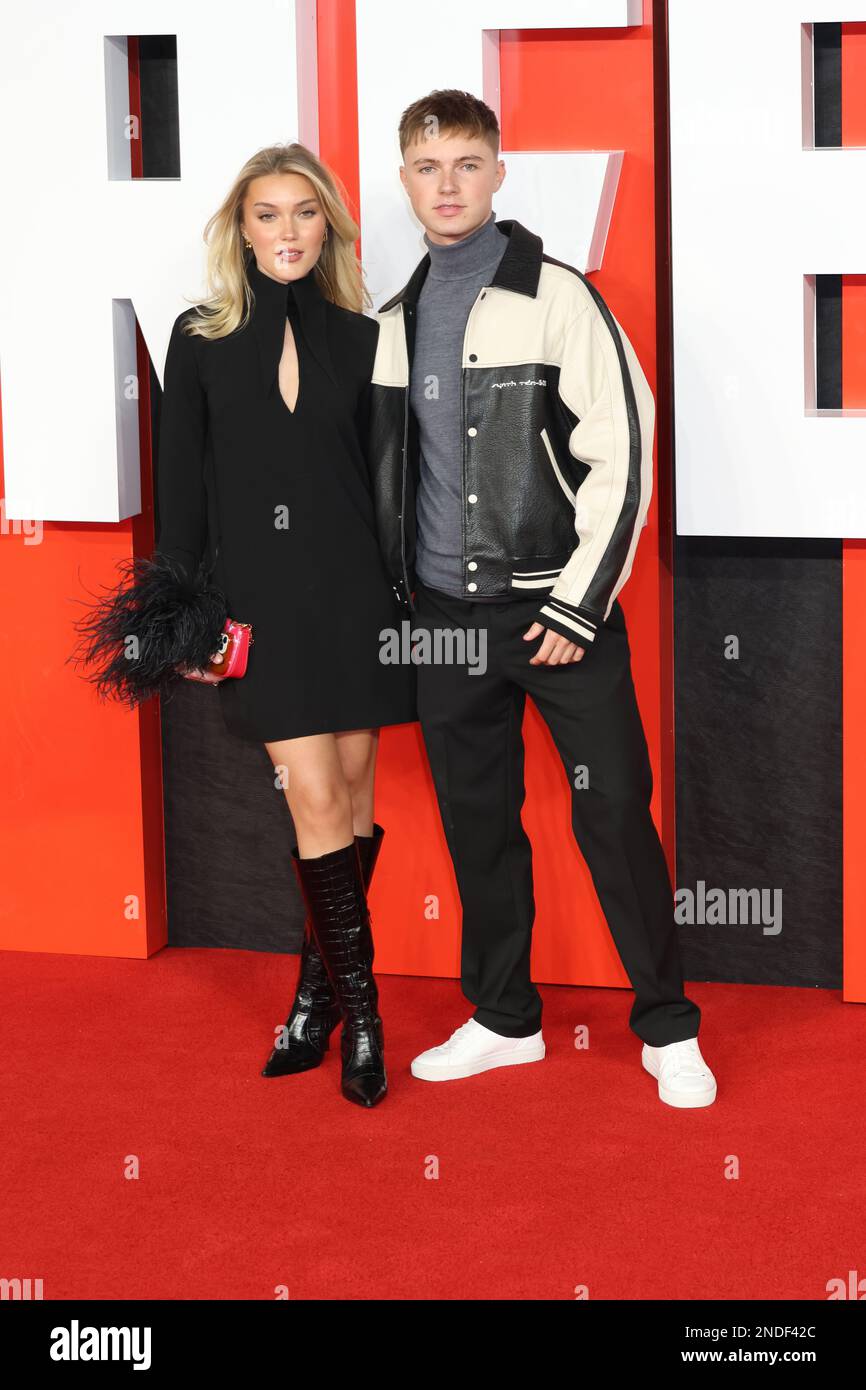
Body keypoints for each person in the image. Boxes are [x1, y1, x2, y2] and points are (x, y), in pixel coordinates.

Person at [366, 90, 716, 1108]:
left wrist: (574, 605)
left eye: (466, 164)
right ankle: (503, 1017)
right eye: (427, 167)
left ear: (497, 172)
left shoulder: (557, 296)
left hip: (556, 618)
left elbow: (626, 450)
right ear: (403, 181)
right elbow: (387, 484)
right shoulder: (388, 322)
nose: (446, 185)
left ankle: (665, 1027)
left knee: (611, 813)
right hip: (444, 627)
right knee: (478, 822)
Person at [69, 143, 417, 1109]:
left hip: (356, 600)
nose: (287, 233)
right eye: (268, 215)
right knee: (310, 798)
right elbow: (181, 488)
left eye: (304, 214)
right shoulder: (200, 334)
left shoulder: (363, 332)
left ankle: (316, 999)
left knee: (350, 803)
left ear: (329, 225)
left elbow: (389, 484)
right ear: (240, 227)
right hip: (262, 608)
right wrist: (184, 618)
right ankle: (366, 1018)